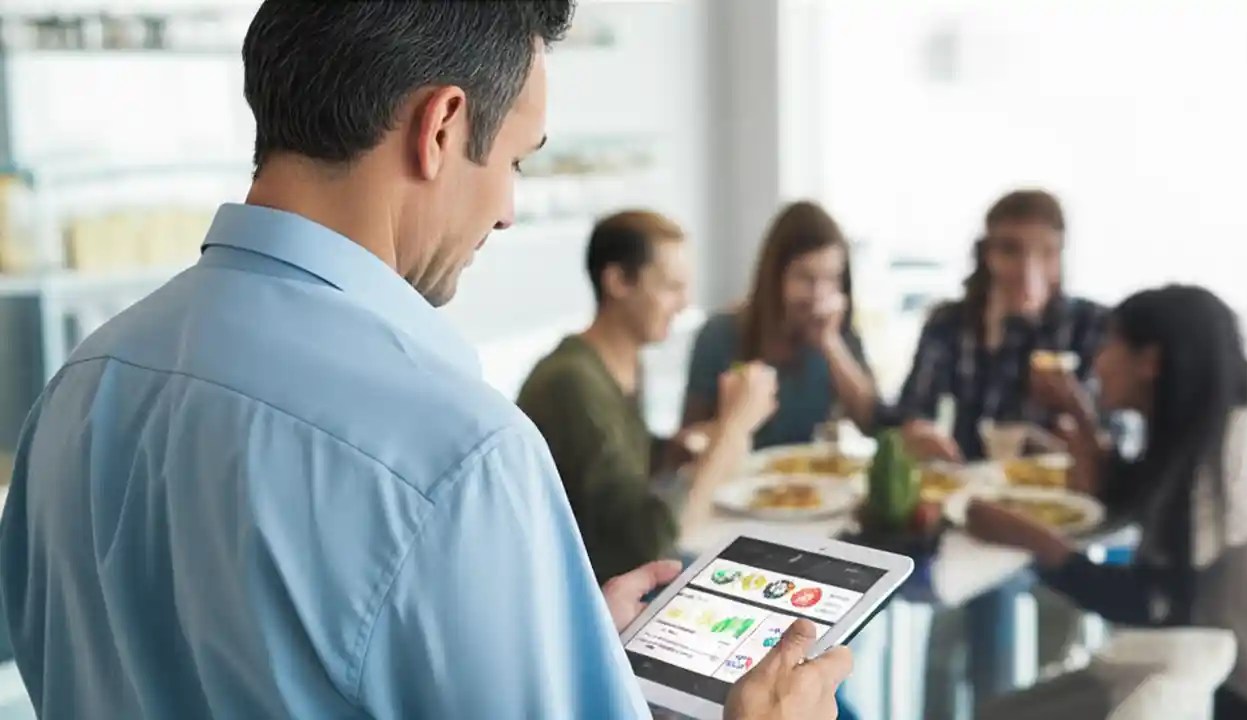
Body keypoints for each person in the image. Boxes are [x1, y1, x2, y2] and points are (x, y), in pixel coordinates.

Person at [0, 3, 851, 719]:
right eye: (516, 160)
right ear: (440, 127)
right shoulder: (457, 453)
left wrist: (539, 635)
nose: (510, 209)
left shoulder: (80, 390)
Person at [968, 285, 1247, 720]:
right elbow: (1123, 499)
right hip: (1201, 671)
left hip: (1245, 694)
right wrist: (1079, 413)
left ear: (1149, 361)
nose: (1098, 361)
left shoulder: (1239, 444)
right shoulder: (1192, 437)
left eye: (1110, 344)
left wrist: (1036, 543)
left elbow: (1152, 603)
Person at [517, 210, 778, 582]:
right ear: (618, 281)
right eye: (671, 288)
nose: (684, 304)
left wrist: (671, 450)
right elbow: (648, 541)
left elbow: (615, 474)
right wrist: (733, 426)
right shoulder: (571, 384)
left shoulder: (623, 364)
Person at [897, 189, 1109, 463]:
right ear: (986, 254)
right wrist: (919, 433)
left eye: (1046, 253)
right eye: (1011, 250)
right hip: (967, 484)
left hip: (1058, 491)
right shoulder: (948, 323)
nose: (1027, 270)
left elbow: (1114, 440)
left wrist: (1072, 404)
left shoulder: (1091, 324)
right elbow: (911, 413)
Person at [681, 201, 886, 448]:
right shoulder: (719, 334)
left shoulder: (838, 334)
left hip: (804, 480)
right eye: (805, 278)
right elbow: (687, 438)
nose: (818, 295)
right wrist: (731, 426)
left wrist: (830, 344)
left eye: (831, 278)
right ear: (775, 276)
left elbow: (873, 423)